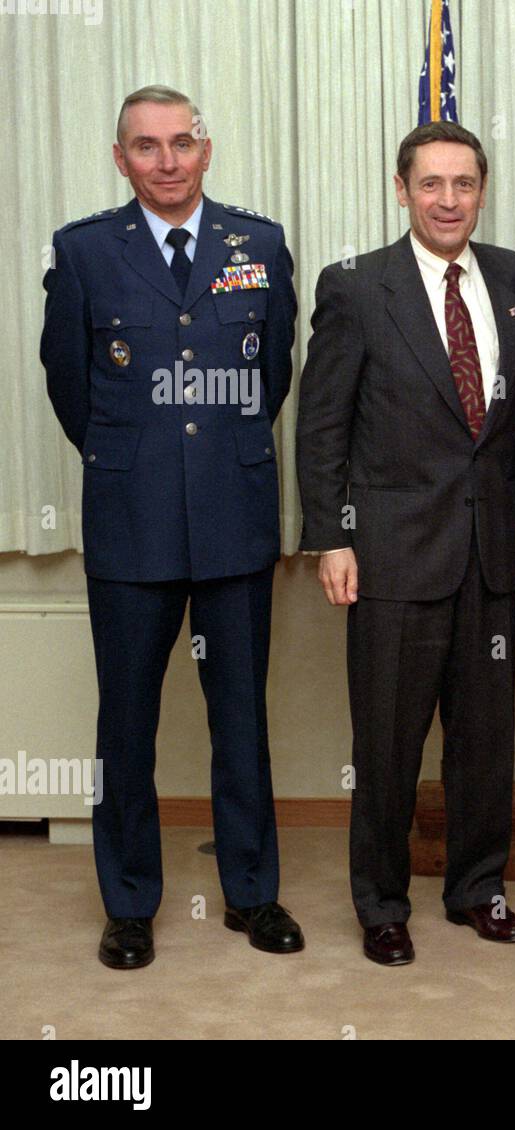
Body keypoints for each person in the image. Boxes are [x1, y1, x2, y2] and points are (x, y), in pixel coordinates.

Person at [41, 85, 300, 969]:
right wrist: (135, 457)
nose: (166, 161)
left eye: (181, 143)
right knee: (126, 724)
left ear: (206, 148)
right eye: (145, 147)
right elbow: (71, 388)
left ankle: (253, 895)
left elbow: (270, 380)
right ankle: (129, 903)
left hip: (233, 518)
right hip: (131, 519)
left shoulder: (257, 244)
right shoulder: (83, 253)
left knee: (241, 717)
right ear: (121, 159)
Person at [296, 121, 515, 966]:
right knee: (389, 744)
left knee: (484, 744)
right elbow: (322, 425)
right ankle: (382, 903)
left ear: (482, 190)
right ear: (402, 190)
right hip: (391, 556)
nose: (448, 200)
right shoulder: (358, 286)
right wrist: (331, 536)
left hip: (492, 554)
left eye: (464, 184)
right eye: (431, 184)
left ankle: (479, 887)